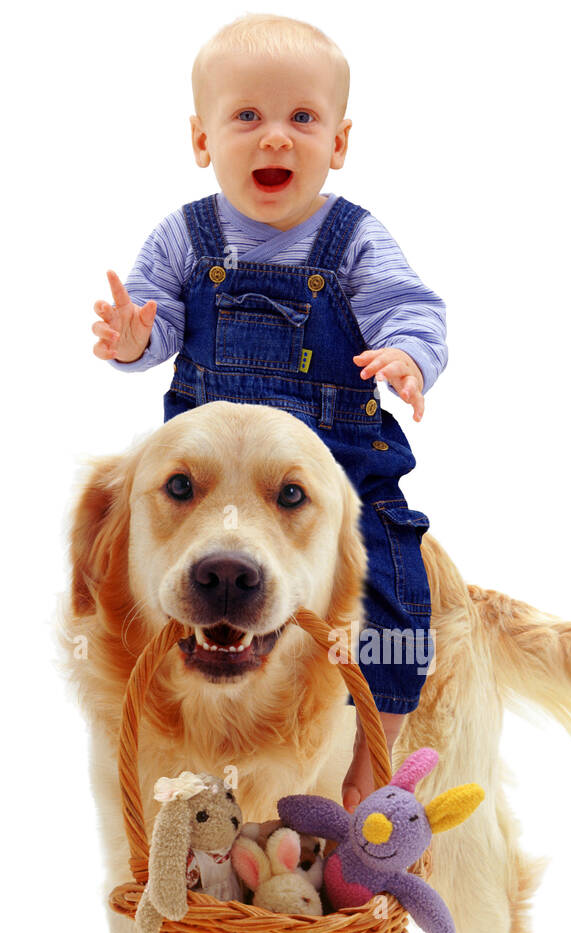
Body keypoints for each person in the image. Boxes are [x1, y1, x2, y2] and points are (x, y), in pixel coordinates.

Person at [91, 12, 447, 811]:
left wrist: (407, 357)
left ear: (339, 144)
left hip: (338, 465)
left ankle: (373, 757)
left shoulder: (354, 240)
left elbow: (411, 306)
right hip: (211, 465)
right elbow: (157, 322)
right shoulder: (184, 237)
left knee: (394, 581)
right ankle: (170, 755)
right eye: (247, 116)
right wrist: (134, 339)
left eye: (302, 118)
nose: (275, 138)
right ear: (202, 139)